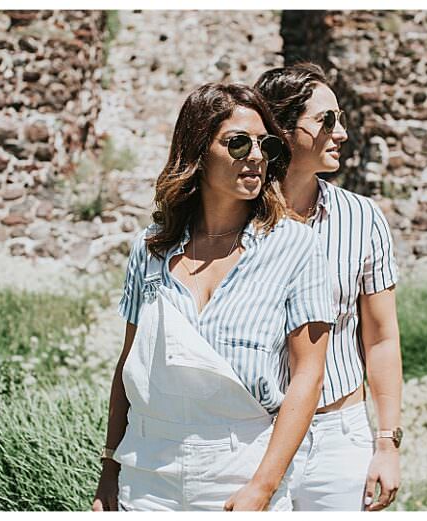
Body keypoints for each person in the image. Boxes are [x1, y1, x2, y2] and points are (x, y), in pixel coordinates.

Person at [91, 82, 335, 511]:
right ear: (199, 152)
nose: (256, 156)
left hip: (240, 473)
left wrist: (262, 486)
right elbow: (128, 365)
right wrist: (109, 468)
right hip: (146, 478)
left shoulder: (298, 248)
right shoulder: (150, 250)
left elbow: (307, 377)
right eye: (238, 143)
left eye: (266, 145)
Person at [255, 63, 402, 511]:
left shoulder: (361, 218)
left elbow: (380, 338)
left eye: (340, 119)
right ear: (281, 130)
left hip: (340, 436)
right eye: (326, 121)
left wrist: (386, 443)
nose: (342, 133)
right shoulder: (235, 221)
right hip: (252, 435)